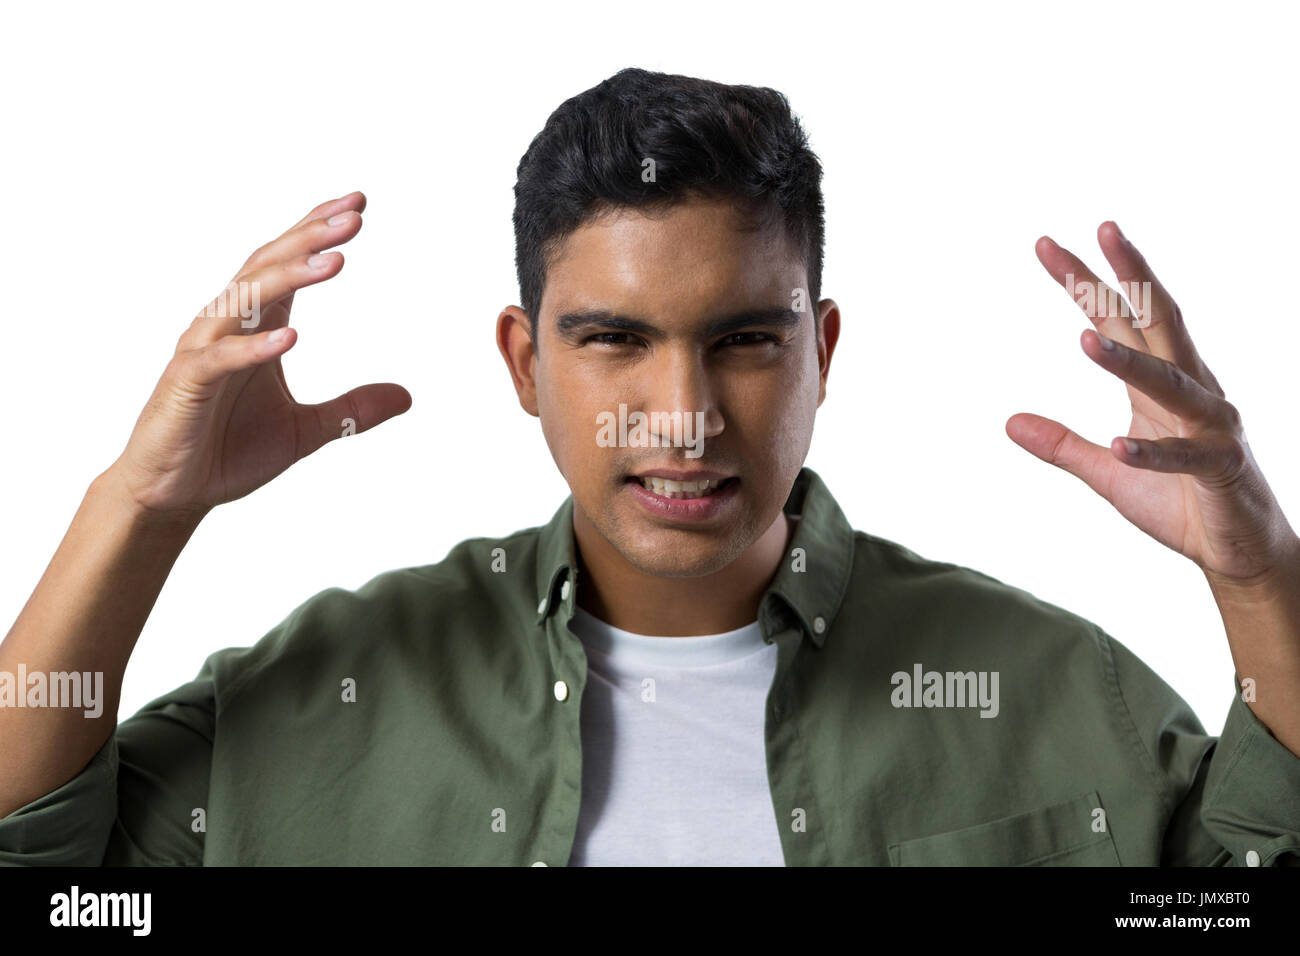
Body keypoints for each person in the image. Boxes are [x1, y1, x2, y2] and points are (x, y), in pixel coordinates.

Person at [2, 67, 1298, 866]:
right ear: (523, 362)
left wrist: (1259, 575)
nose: (681, 417)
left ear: (821, 351)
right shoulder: (333, 697)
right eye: (614, 341)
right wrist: (140, 505)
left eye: (741, 340)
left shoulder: (1040, 686)